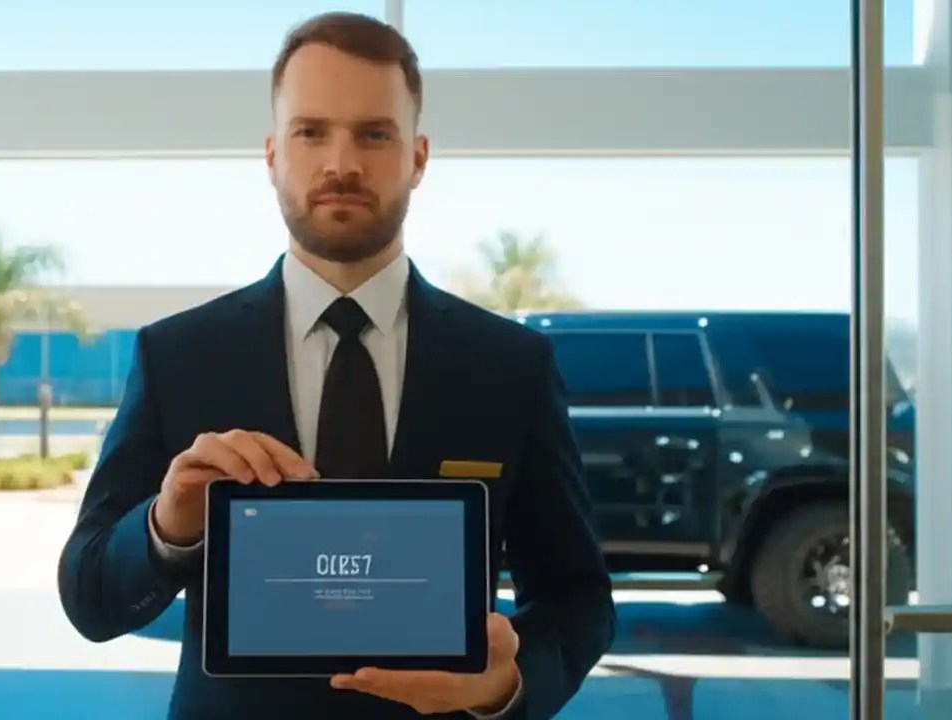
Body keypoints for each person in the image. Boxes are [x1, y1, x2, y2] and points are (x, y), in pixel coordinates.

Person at [57, 11, 614, 719]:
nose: (341, 163)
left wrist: (506, 687)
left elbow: (577, 596)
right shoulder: (178, 357)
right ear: (271, 154)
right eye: (311, 131)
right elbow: (90, 599)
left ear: (417, 155)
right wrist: (169, 525)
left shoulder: (510, 366)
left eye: (374, 134)